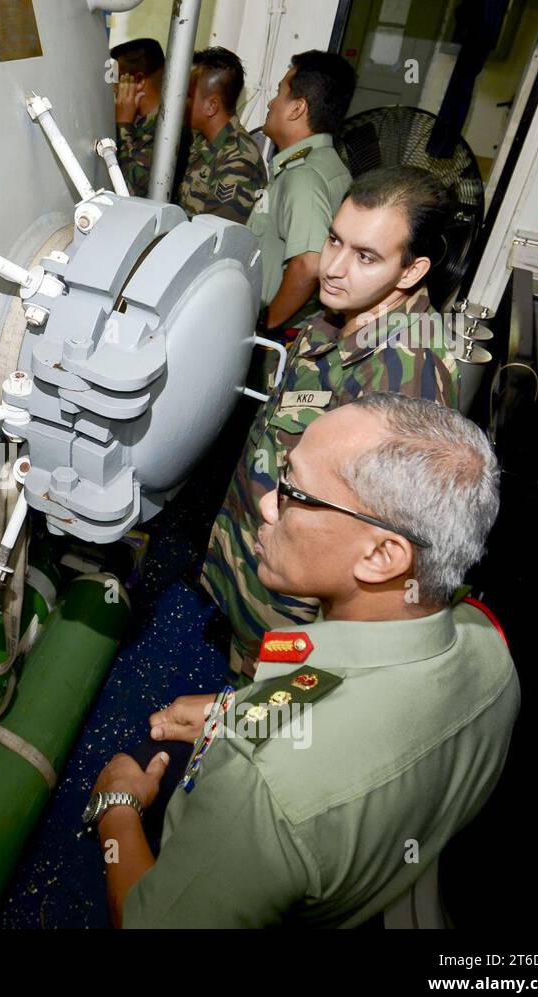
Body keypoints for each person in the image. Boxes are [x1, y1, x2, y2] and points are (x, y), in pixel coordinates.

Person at [88, 394, 518, 927]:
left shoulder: (264, 791)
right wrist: (237, 712)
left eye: (294, 491)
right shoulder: (490, 646)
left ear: (382, 556)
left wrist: (119, 814)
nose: (268, 505)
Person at [203, 165, 461, 682]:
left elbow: (371, 542)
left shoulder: (405, 380)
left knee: (261, 716)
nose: (333, 268)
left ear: (411, 272)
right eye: (334, 240)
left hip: (295, 607)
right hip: (256, 551)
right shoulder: (340, 313)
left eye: (366, 256)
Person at [250, 50, 356, 332]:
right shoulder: (330, 164)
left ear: (297, 108)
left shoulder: (303, 176)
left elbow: (308, 265)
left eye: (279, 92)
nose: (271, 103)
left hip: (273, 335)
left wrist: (265, 325)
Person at [177, 47, 267, 224]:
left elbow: (215, 239)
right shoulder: (203, 142)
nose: (180, 101)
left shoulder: (238, 160)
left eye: (188, 95)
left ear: (211, 106)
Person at [112, 37, 166, 196]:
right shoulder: (141, 121)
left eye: (119, 80)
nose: (115, 89)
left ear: (139, 81)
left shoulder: (165, 130)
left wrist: (123, 124)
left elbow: (130, 190)